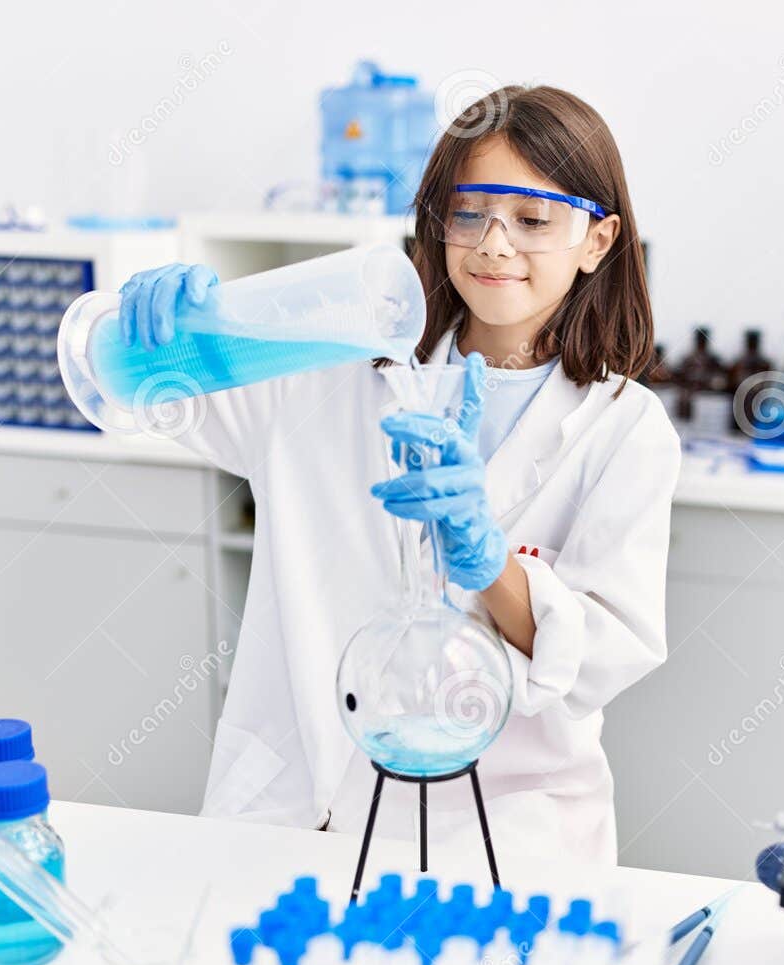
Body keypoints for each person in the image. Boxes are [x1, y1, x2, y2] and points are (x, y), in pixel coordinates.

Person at [115, 86, 679, 865]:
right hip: (294, 803)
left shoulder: (625, 430)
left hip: (501, 824)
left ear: (598, 238)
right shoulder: (334, 369)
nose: (493, 244)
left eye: (533, 219)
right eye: (469, 211)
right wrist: (159, 327)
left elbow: (598, 655)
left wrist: (489, 565)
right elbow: (147, 397)